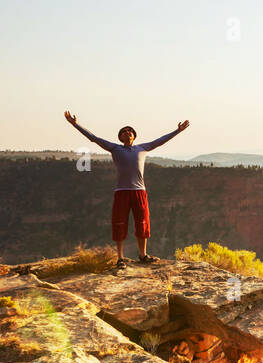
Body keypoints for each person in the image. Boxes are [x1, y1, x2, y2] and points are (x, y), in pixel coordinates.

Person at [64, 111, 190, 268]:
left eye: (129, 130)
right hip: (121, 192)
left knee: (142, 222)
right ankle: (120, 258)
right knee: (119, 223)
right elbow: (94, 139)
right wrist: (75, 124)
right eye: (123, 131)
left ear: (134, 136)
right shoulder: (115, 148)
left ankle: (143, 255)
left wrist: (177, 131)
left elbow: (160, 141)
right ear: (120, 138)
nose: (127, 132)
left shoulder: (143, 148)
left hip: (139, 191)